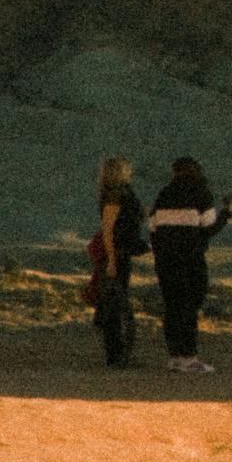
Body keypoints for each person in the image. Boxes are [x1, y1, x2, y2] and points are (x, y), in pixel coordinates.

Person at [146, 158, 232, 374]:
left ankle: (175, 356)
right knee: (190, 306)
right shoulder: (200, 193)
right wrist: (227, 212)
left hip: (166, 261)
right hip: (191, 260)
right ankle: (189, 356)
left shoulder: (163, 194)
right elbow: (209, 228)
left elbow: (152, 227)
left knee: (172, 307)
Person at [93, 157, 149, 369]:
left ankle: (117, 354)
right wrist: (112, 261)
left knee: (115, 304)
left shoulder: (122, 193)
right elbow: (108, 231)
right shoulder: (114, 196)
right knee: (114, 307)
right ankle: (115, 355)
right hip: (116, 255)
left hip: (122, 253)